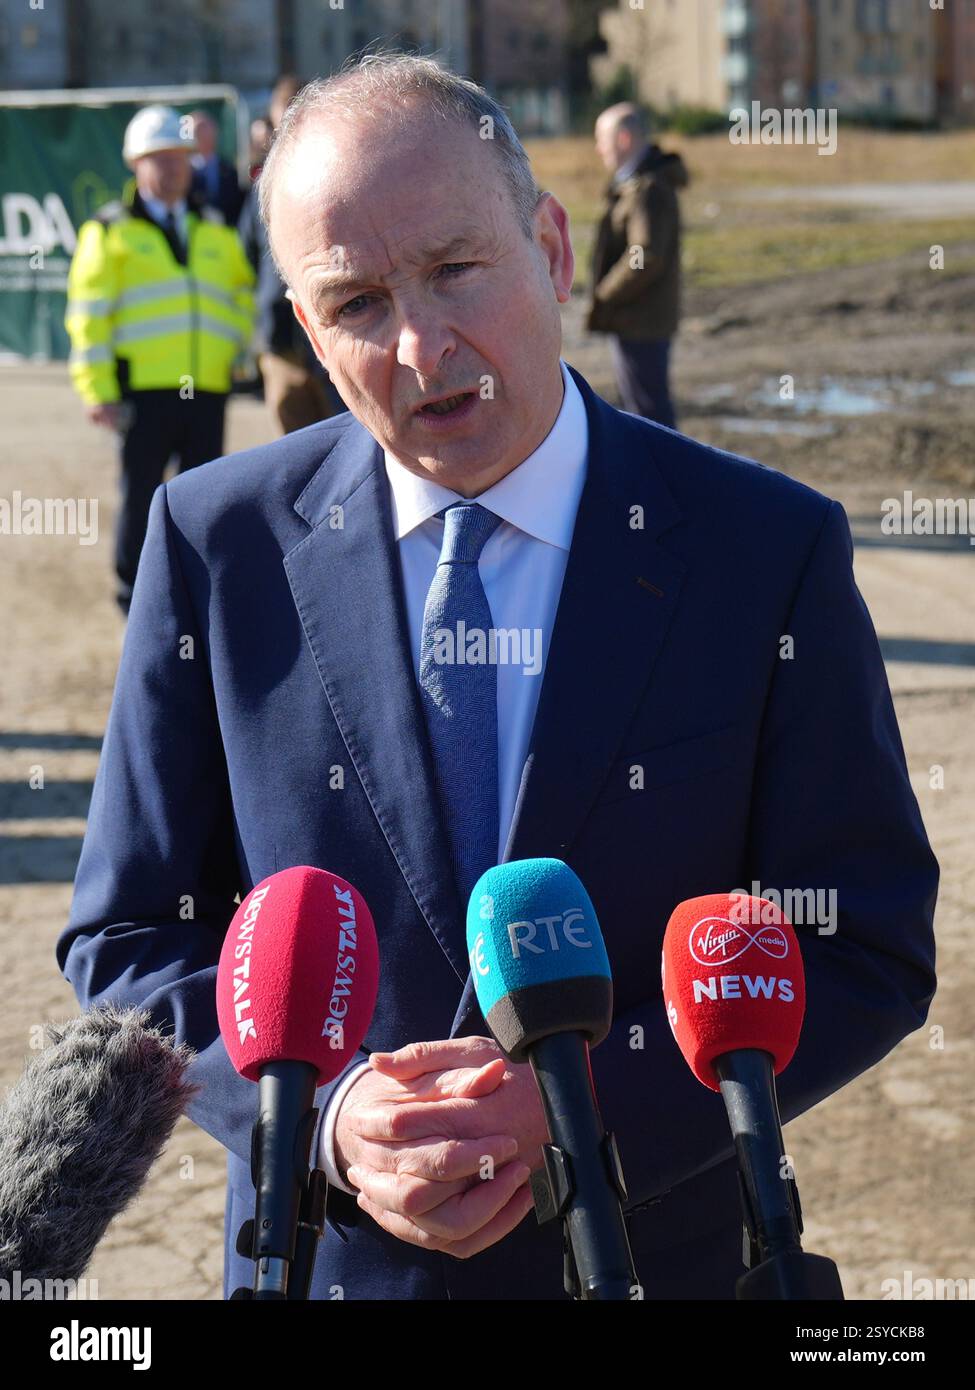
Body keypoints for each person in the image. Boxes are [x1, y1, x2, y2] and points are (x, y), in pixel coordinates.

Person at [58, 55, 938, 1301]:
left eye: (457, 269)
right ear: (303, 329)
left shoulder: (766, 549)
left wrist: (582, 1117)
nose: (422, 344)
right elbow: (131, 930)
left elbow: (863, 939)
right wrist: (327, 1111)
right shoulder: (215, 543)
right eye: (356, 300)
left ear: (553, 249)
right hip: (335, 1269)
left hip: (663, 1261)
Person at [64, 104, 255, 614]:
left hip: (208, 388)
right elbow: (88, 318)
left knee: (204, 499)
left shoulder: (214, 228)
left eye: (179, 156)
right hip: (142, 390)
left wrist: (241, 351)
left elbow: (239, 293)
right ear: (135, 163)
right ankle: (134, 600)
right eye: (159, 158)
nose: (172, 167)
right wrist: (97, 389)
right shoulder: (108, 232)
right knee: (141, 497)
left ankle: (195, 595)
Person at [237, 75, 344, 434]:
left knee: (350, 442)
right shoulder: (262, 189)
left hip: (337, 334)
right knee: (296, 448)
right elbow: (248, 253)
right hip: (281, 341)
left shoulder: (344, 179)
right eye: (281, 123)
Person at [588, 102, 688, 429]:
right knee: (644, 408)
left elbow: (644, 255)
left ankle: (666, 478)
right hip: (638, 316)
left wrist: (605, 294)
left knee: (649, 414)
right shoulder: (638, 183)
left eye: (603, 138)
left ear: (625, 139)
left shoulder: (647, 189)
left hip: (640, 318)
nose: (599, 148)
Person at [190, 110, 246, 227]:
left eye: (206, 128)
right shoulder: (184, 172)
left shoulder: (230, 171)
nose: (203, 134)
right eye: (198, 130)